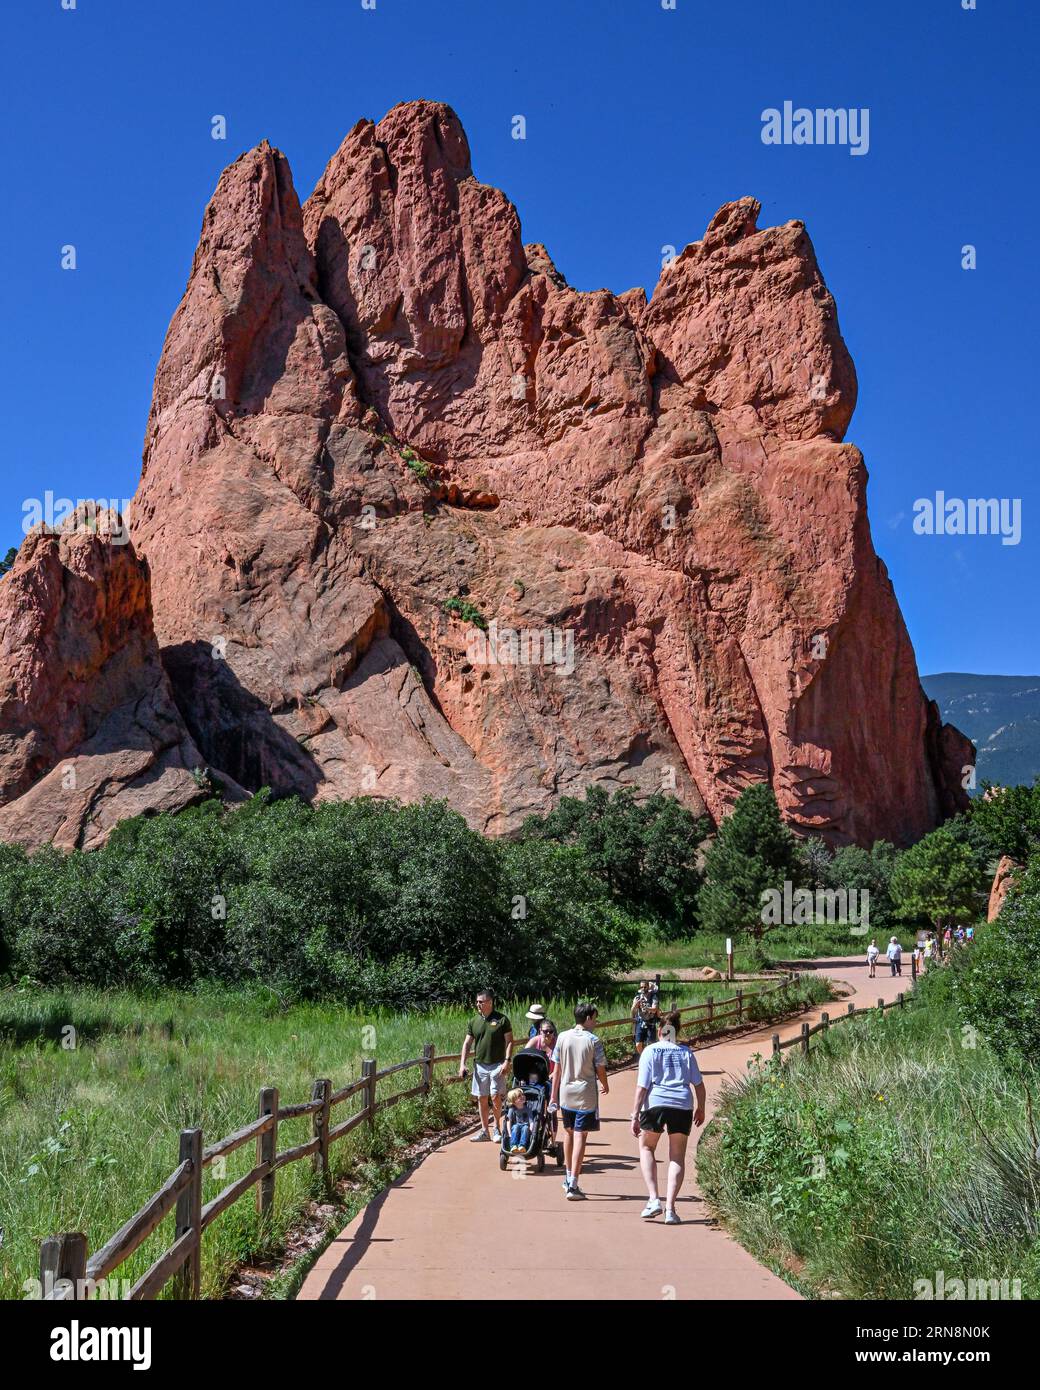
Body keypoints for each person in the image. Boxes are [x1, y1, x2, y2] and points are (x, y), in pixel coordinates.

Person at [631, 1011, 706, 1226]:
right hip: (682, 1104)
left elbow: (642, 1086)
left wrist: (634, 1115)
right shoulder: (685, 1052)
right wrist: (700, 1108)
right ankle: (671, 1210)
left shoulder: (650, 1051)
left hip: (655, 1103)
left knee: (646, 1148)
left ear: (659, 1031)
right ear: (676, 1031)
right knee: (676, 1156)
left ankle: (654, 1199)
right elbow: (698, 1085)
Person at [550, 1002, 608, 1201]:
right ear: (589, 1017)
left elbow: (556, 1069)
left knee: (569, 1133)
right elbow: (600, 1067)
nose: (597, 1021)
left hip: (566, 1093)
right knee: (581, 1136)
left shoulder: (562, 1037)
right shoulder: (594, 1040)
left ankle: (568, 1176)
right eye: (595, 1017)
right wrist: (605, 1083)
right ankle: (573, 1184)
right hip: (585, 1094)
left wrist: (553, 1096)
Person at [459, 990, 513, 1143]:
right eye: (477, 1002)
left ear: (489, 1002)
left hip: (497, 1064)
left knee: (495, 1097)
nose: (478, 1004)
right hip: (480, 1066)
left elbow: (509, 1041)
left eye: (481, 1002)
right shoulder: (474, 1021)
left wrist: (507, 1061)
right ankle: (485, 1130)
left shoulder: (502, 1019)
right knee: (482, 1098)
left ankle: (496, 1127)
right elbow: (467, 1043)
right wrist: (462, 1064)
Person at [631, 981, 659, 1054]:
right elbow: (632, 1010)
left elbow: (654, 1010)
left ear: (648, 987)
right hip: (640, 1022)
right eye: (641, 987)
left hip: (650, 1022)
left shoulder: (653, 997)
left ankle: (651, 1059)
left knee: (651, 1044)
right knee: (638, 1044)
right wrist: (636, 1005)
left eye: (645, 987)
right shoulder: (637, 997)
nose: (643, 988)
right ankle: (644, 1057)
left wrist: (646, 1008)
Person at [505, 1087, 532, 1152]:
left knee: (525, 1128)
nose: (522, 1096)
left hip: (525, 1126)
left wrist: (531, 1130)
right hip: (516, 1126)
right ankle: (513, 1145)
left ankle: (522, 1146)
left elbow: (531, 1121)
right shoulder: (512, 1109)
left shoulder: (528, 1109)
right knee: (515, 1127)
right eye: (519, 1096)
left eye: (522, 1095)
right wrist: (509, 1133)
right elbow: (509, 1121)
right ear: (514, 1101)